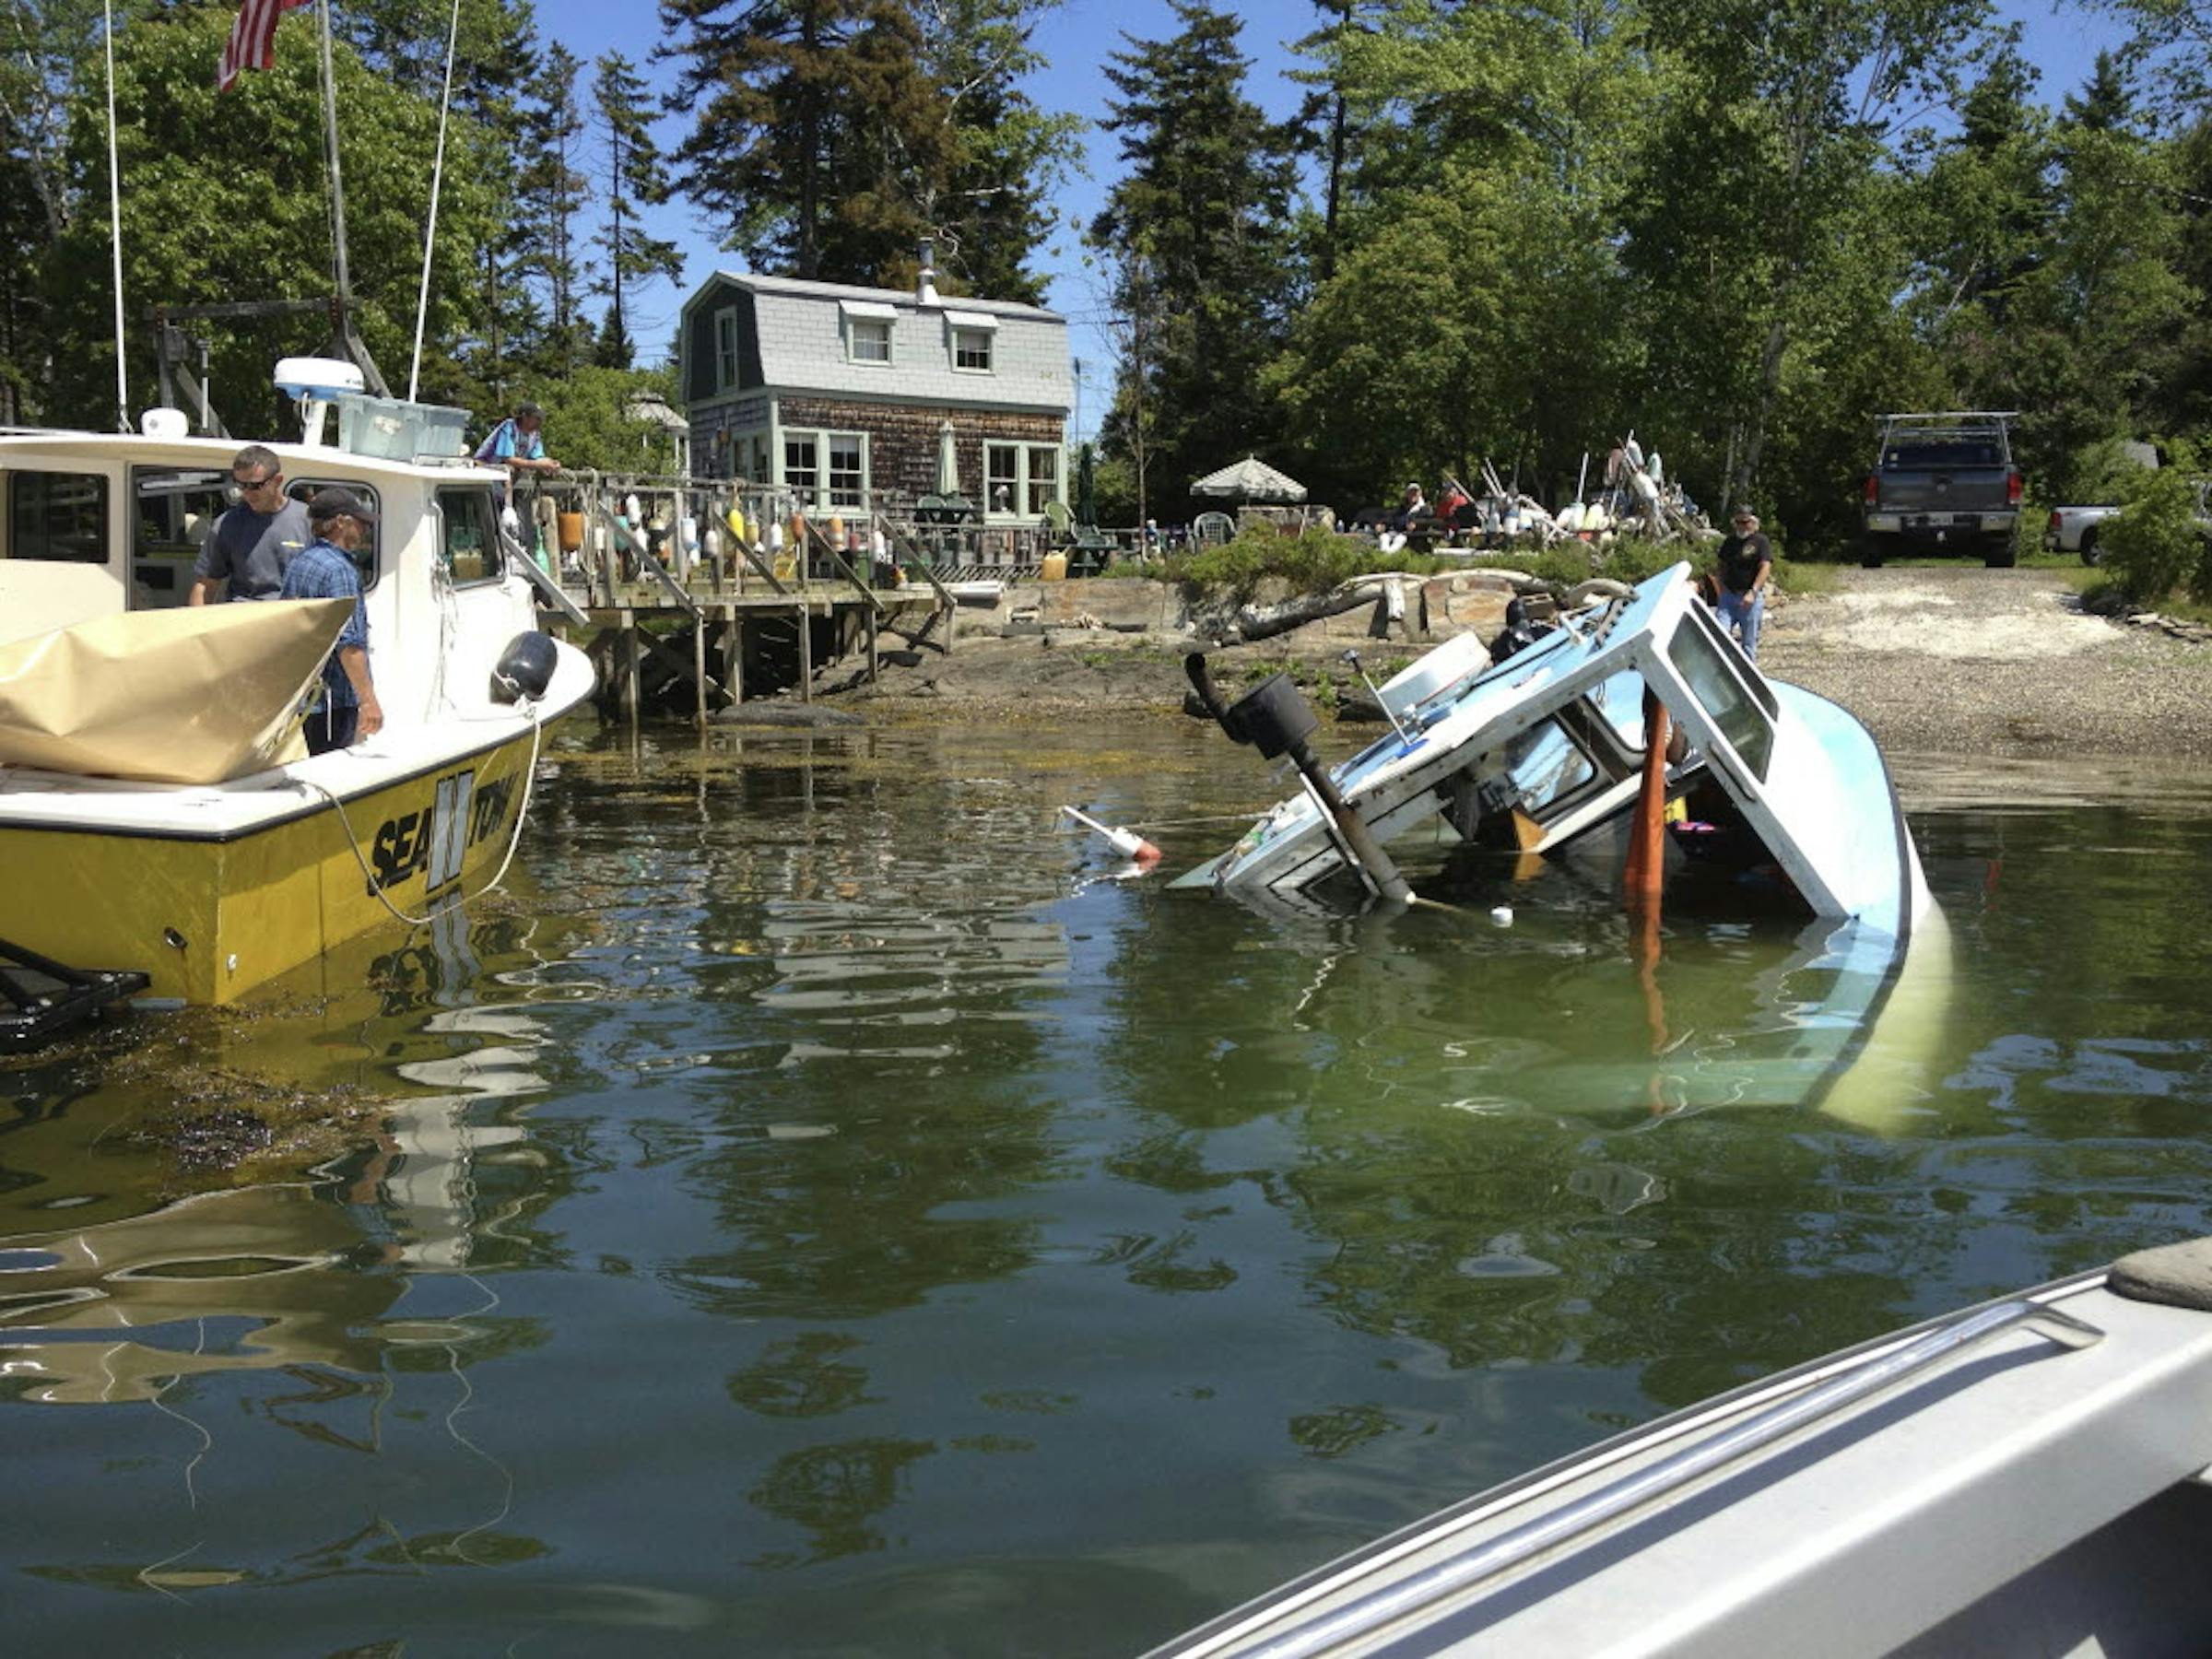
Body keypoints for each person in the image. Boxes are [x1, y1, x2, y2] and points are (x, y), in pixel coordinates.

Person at [280, 487, 384, 755]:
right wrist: (369, 701)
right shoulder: (340, 571)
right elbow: (348, 645)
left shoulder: (300, 562)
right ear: (341, 522)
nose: (364, 530)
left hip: (303, 697)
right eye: (361, 523)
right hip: (332, 701)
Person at [188, 443, 310, 605]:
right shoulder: (226, 524)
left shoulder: (308, 519)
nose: (246, 493)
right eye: (241, 485)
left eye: (254, 486)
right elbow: (205, 585)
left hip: (292, 616)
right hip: (244, 617)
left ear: (277, 481)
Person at [1713, 504, 1774, 658]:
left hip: (1750, 598)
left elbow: (1765, 567)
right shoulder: (1730, 542)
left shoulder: (1760, 541)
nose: (1742, 526)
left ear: (1753, 522)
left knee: (1749, 643)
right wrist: (1721, 589)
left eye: (1745, 522)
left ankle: (1748, 675)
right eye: (1739, 522)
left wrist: (1753, 592)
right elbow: (1721, 566)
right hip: (1729, 596)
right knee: (1719, 635)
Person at [474, 400, 559, 505]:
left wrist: (550, 464)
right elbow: (508, 458)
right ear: (524, 417)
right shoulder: (509, 427)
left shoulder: (535, 435)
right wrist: (538, 465)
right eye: (536, 418)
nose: (539, 422)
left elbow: (537, 457)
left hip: (505, 477)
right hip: (484, 470)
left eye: (540, 419)